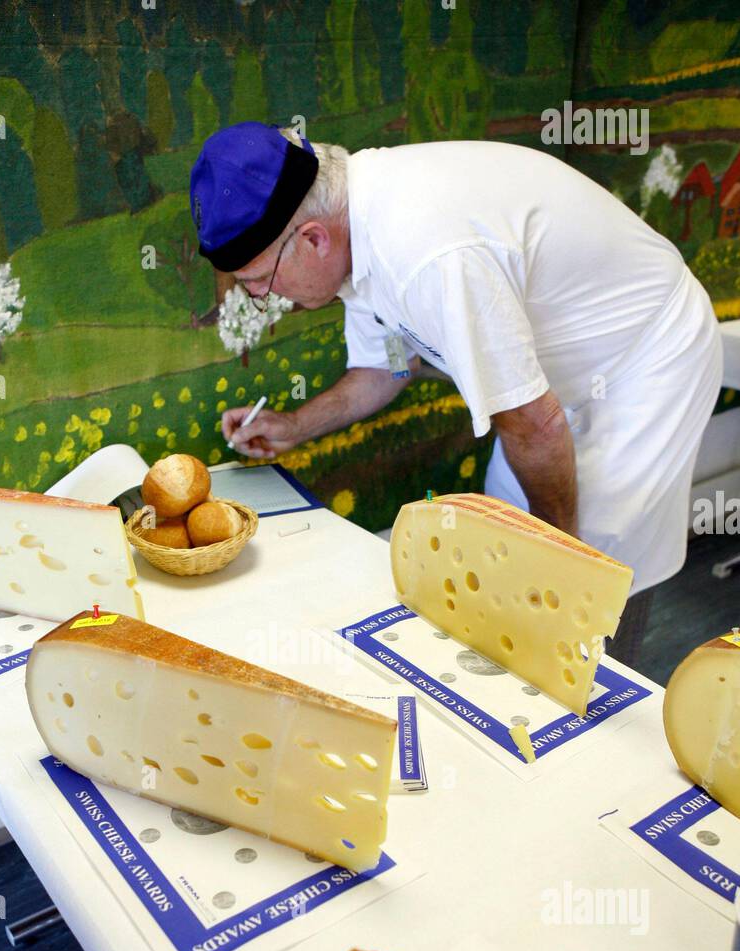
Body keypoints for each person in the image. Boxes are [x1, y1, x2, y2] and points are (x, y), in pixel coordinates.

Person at [190, 123, 723, 666]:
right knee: (508, 542)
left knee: (592, 574)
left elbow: (535, 426)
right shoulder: (351, 228)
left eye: (258, 280)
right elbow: (387, 368)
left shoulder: (428, 253)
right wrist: (295, 426)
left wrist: (557, 565)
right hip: (552, 394)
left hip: (644, 361)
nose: (262, 297)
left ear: (312, 240)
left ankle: (606, 714)